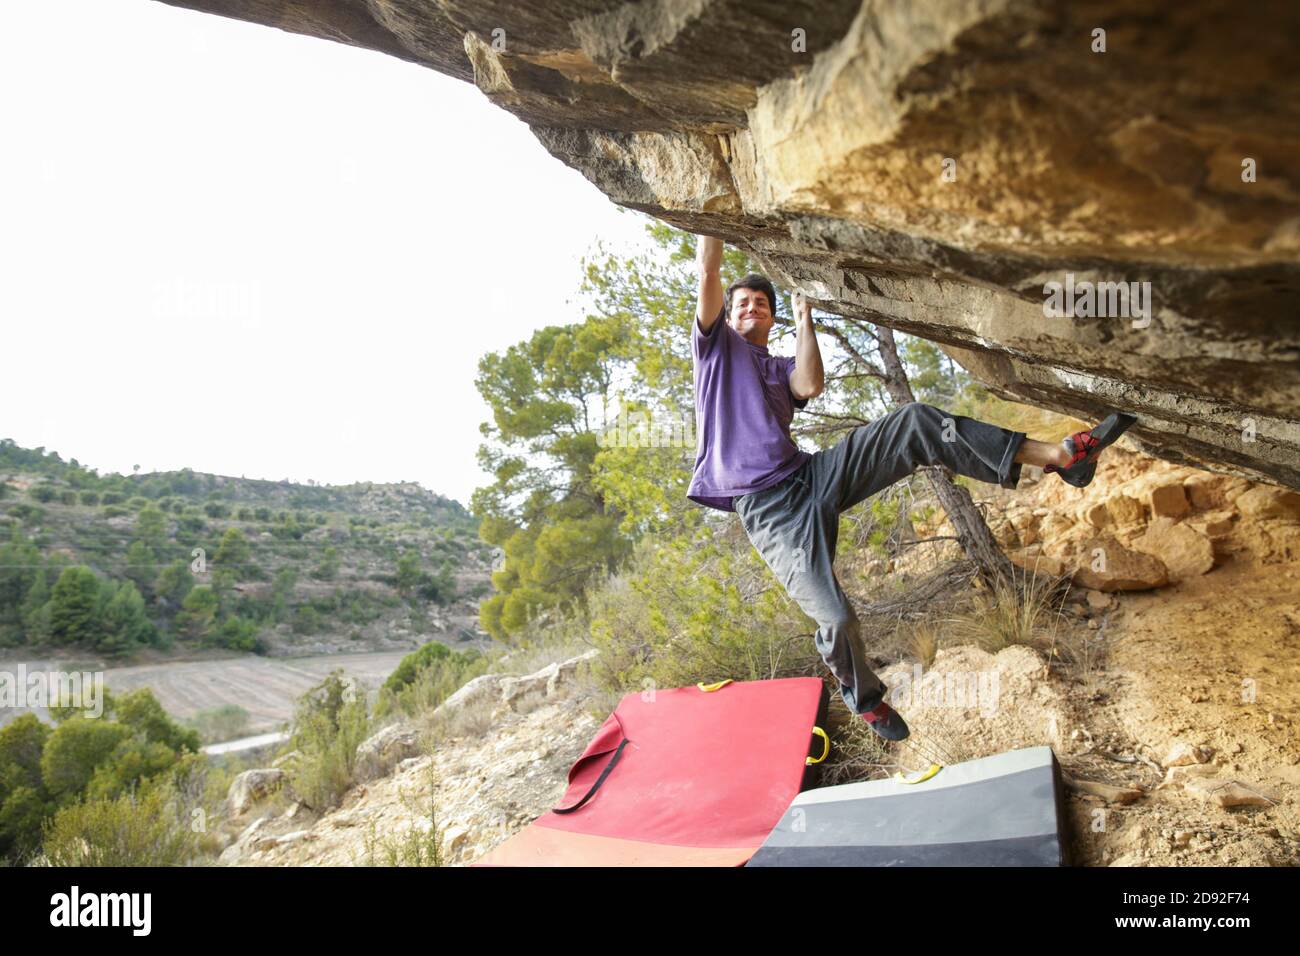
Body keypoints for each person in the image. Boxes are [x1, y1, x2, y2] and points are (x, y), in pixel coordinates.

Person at [688, 235, 1135, 741]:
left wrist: (805, 316)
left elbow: (809, 385)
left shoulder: (777, 365)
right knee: (834, 618)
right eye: (742, 303)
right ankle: (866, 700)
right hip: (772, 513)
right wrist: (711, 219)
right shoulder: (715, 350)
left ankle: (1061, 458)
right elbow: (708, 270)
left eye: (762, 305)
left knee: (915, 422)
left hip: (809, 475)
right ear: (726, 315)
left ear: (772, 319)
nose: (751, 308)